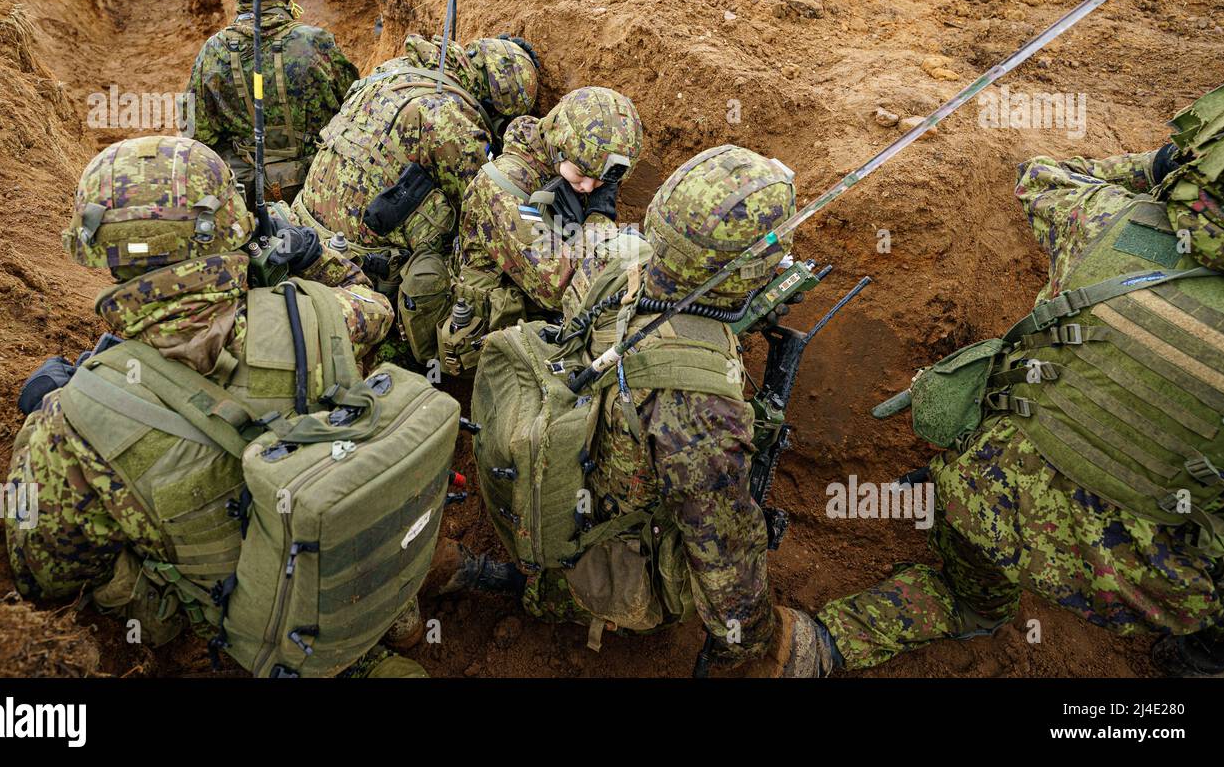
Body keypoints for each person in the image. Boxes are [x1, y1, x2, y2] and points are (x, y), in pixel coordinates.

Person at [812, 81, 1224, 679]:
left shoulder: (1106, 222)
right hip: (1149, 590)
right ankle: (1206, 658)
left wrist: (1159, 171)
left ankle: (948, 608)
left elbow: (1039, 175)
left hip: (984, 504)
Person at [4, 135, 426, 676]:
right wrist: (311, 257)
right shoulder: (323, 317)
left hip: (253, 623)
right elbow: (374, 306)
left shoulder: (70, 425)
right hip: (353, 567)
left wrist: (52, 412)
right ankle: (393, 624)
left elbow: (46, 574)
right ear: (229, 227)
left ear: (102, 253)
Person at [438, 145, 825, 675]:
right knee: (709, 559)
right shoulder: (701, 410)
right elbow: (724, 558)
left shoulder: (618, 253)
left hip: (554, 465)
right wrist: (757, 640)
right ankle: (551, 597)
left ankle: (506, 575)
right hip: (602, 554)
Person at [293, 33, 537, 362]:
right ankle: (408, 352)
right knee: (460, 230)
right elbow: (487, 200)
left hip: (302, 233)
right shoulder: (447, 116)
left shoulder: (391, 71)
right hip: (360, 273)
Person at [441, 85, 642, 374]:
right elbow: (557, 288)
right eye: (583, 174)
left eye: (600, 182)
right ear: (560, 144)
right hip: (499, 337)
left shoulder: (561, 160)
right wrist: (599, 216)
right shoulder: (504, 186)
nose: (588, 187)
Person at [185, 0, 359, 204]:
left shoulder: (213, 51)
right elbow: (352, 109)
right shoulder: (313, 42)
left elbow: (195, 136)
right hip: (318, 186)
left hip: (245, 194)